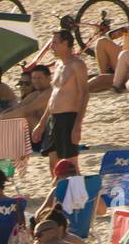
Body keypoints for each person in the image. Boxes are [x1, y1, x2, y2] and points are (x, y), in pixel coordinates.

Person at [31, 30, 89, 173]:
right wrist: (42, 123)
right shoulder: (58, 65)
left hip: (68, 117)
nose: (52, 47)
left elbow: (84, 94)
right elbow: (53, 97)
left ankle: (79, 193)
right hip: (53, 118)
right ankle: (58, 194)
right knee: (54, 164)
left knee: (70, 164)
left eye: (55, 43)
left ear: (65, 43)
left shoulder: (77, 64)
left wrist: (77, 125)